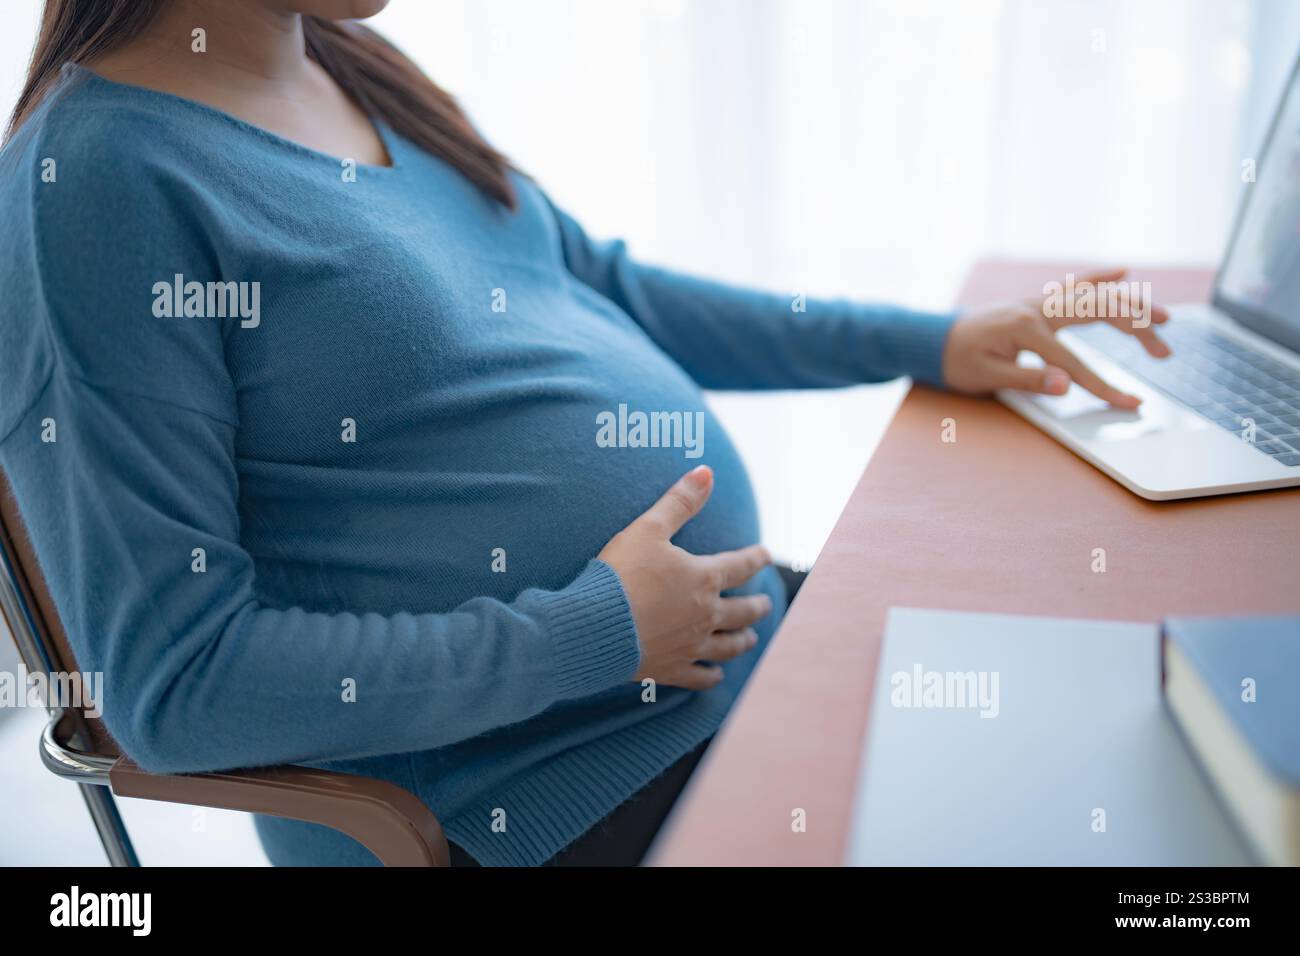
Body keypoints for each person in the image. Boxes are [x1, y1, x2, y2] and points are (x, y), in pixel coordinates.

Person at [0, 0, 1170, 866]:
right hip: (554, 792)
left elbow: (601, 285)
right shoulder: (98, 189)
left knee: (1140, 719)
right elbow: (180, 688)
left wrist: (935, 339)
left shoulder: (344, 58)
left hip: (729, 654)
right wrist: (594, 635)